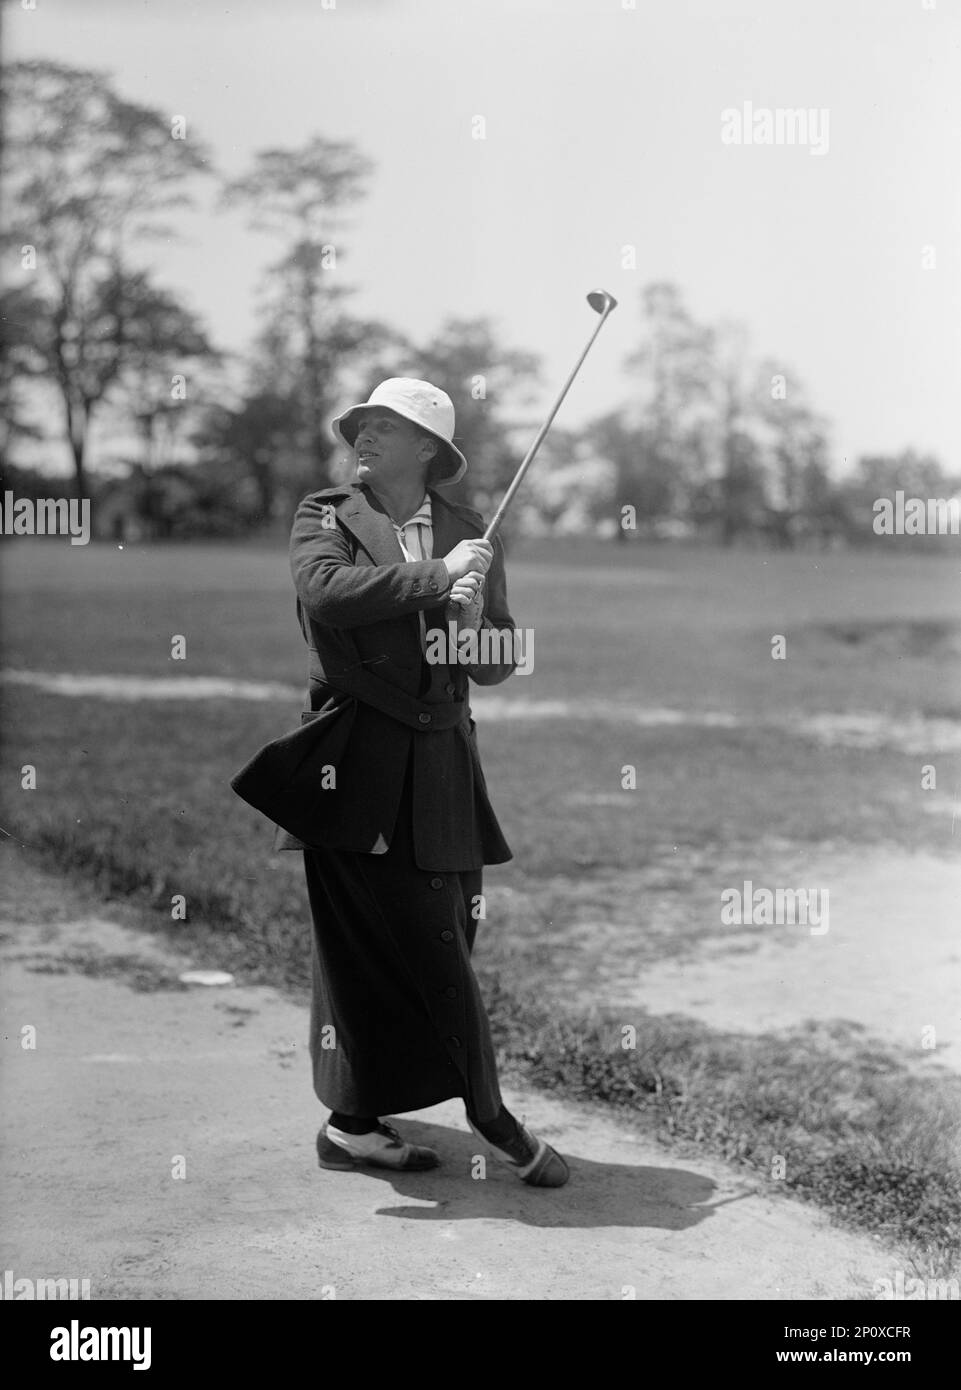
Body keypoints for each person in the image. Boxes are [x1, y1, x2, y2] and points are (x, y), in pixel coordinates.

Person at [282, 378, 568, 1187]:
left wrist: (474, 626)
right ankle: (495, 1119)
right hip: (351, 757)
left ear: (427, 450)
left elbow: (501, 662)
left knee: (446, 927)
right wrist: (437, 578)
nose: (363, 436)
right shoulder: (326, 515)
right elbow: (325, 595)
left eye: (384, 426)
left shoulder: (471, 530)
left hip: (443, 761)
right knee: (385, 940)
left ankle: (354, 1123)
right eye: (361, 425)